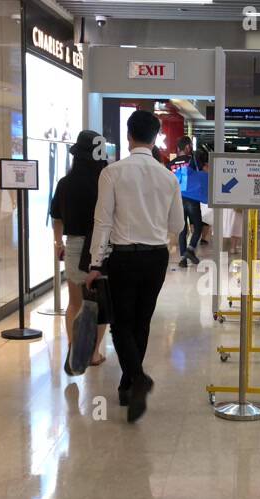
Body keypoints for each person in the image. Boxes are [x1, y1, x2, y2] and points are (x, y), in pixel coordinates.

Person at [84, 110, 184, 423]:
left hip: (124, 256)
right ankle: (128, 385)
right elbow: (177, 224)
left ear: (129, 136)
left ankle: (137, 379)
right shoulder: (168, 176)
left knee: (120, 323)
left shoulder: (113, 172)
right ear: (156, 138)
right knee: (141, 321)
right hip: (155, 257)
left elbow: (102, 222)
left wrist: (95, 262)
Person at [52, 130, 109, 372]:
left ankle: (74, 346)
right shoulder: (106, 182)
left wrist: (59, 244)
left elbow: (56, 218)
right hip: (101, 247)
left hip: (74, 245)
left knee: (74, 303)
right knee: (98, 305)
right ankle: (93, 353)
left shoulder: (65, 183)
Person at [168, 136, 202, 267]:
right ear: (188, 147)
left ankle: (183, 259)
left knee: (182, 230)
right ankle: (190, 249)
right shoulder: (193, 160)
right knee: (198, 227)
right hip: (192, 198)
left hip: (178, 199)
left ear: (178, 148)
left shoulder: (171, 164)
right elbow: (201, 175)